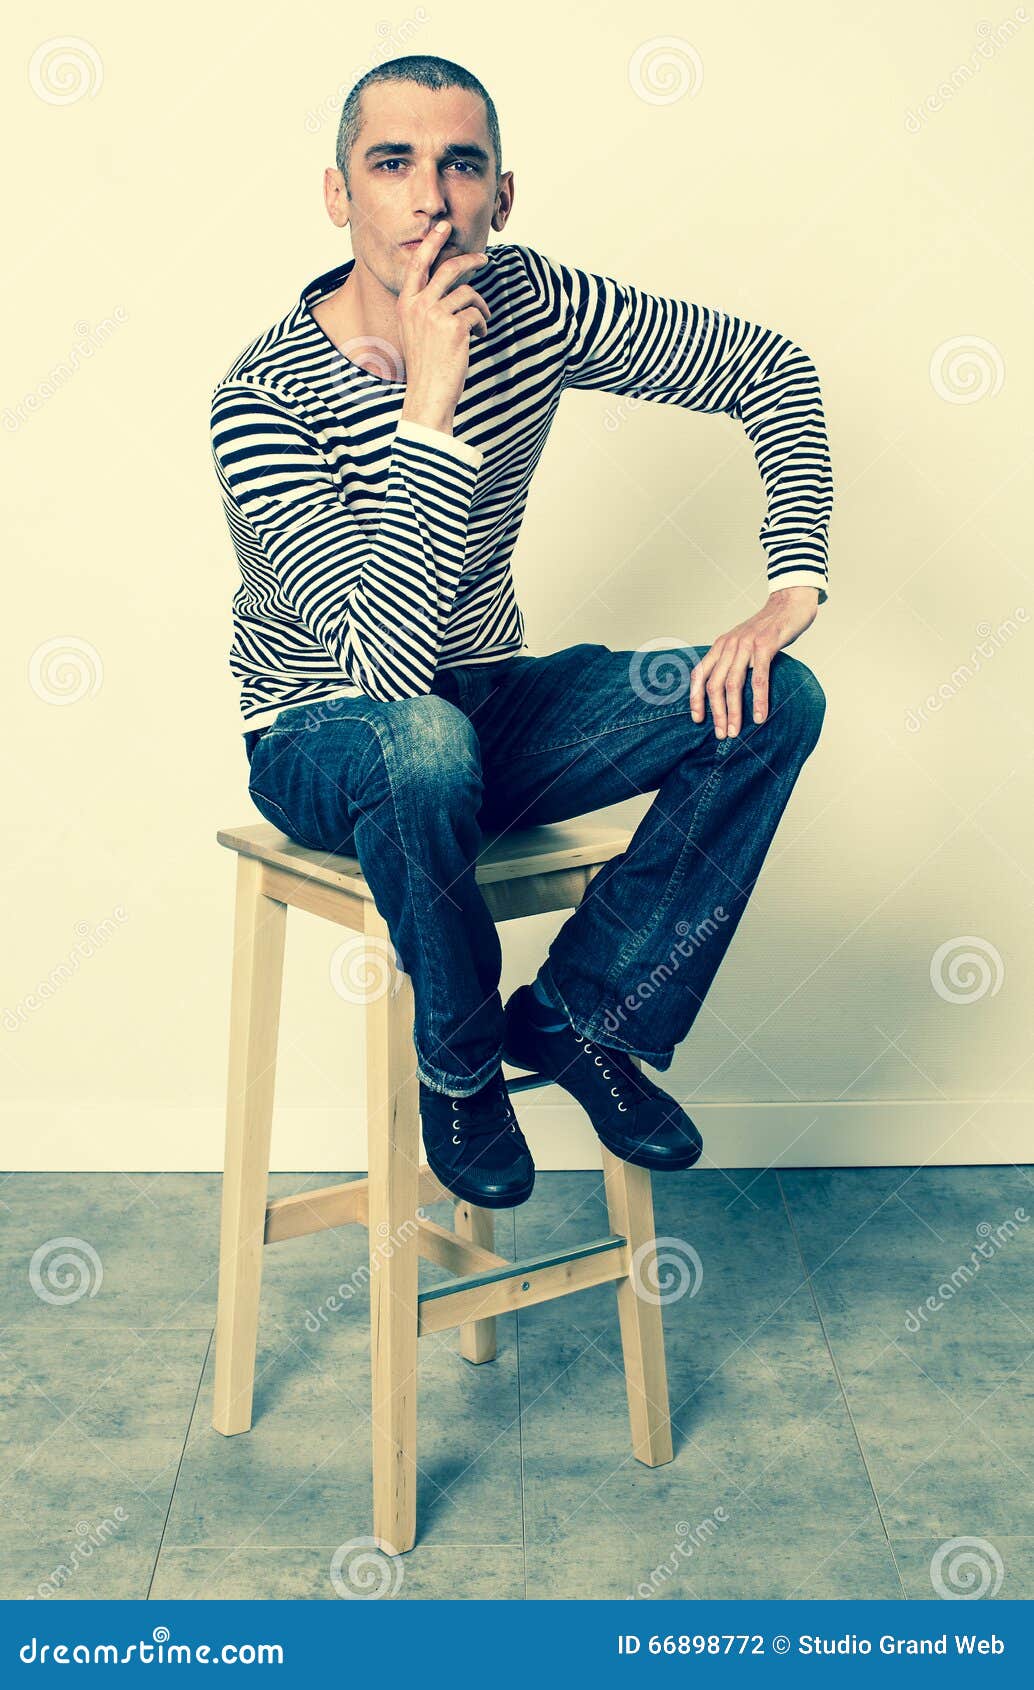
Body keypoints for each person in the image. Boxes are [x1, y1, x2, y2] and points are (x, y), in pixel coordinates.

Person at [209, 54, 831, 1212]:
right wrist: (427, 404)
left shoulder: (532, 303)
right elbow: (382, 674)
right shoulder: (263, 399)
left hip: (490, 703)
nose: (426, 198)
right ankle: (459, 1064)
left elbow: (768, 368)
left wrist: (789, 580)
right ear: (339, 194)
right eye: (389, 164)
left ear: (501, 194)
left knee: (768, 700)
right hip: (325, 735)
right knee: (422, 738)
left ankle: (580, 1013)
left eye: (459, 165)